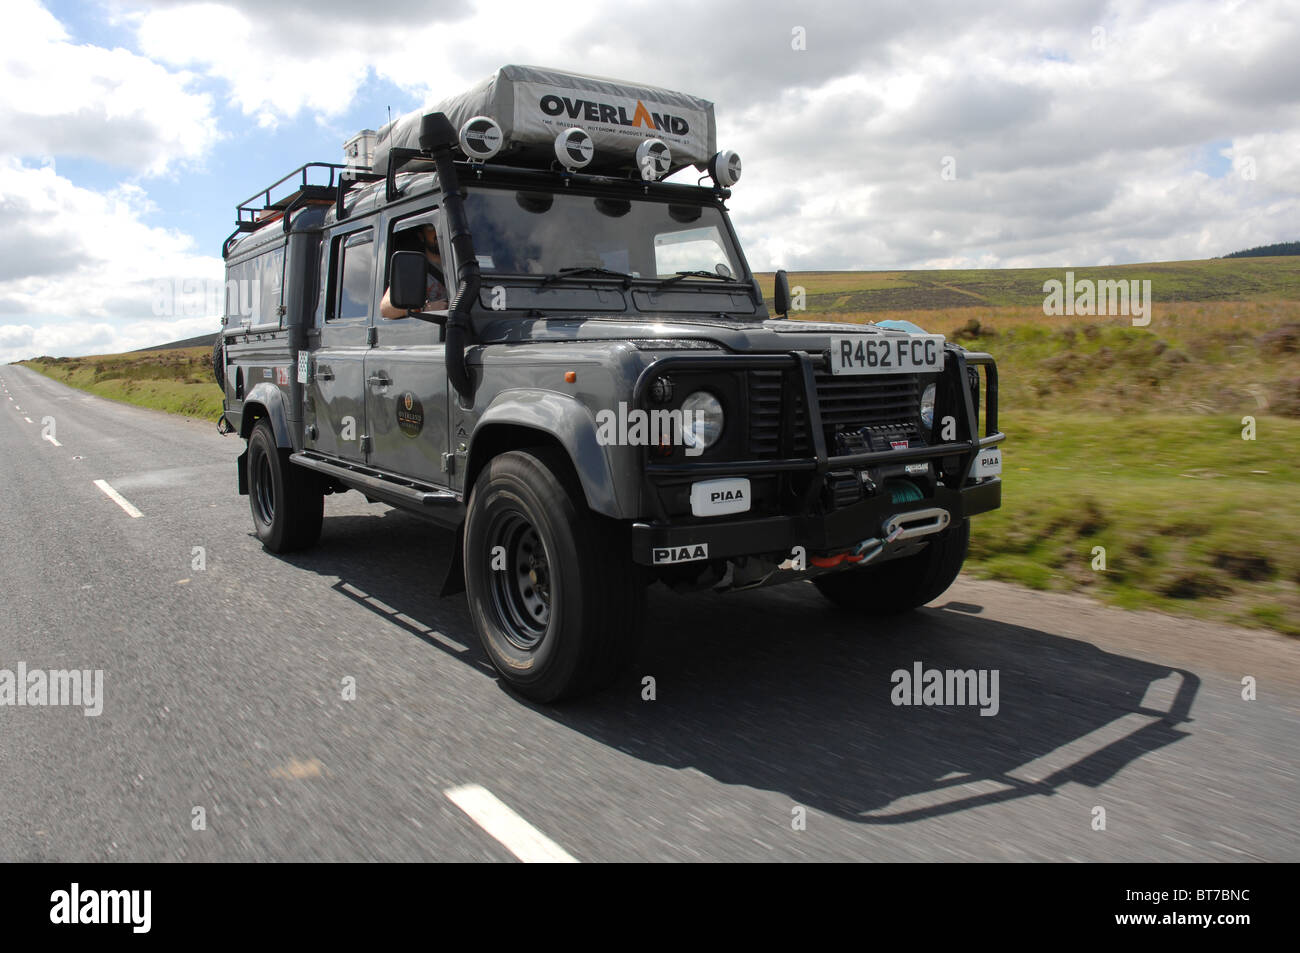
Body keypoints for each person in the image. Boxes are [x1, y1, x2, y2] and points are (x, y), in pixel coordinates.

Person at [380, 224, 448, 318]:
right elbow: (386, 309)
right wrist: (423, 309)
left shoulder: (467, 264)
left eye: (441, 225)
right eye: (431, 228)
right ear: (421, 236)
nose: (438, 231)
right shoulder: (412, 269)